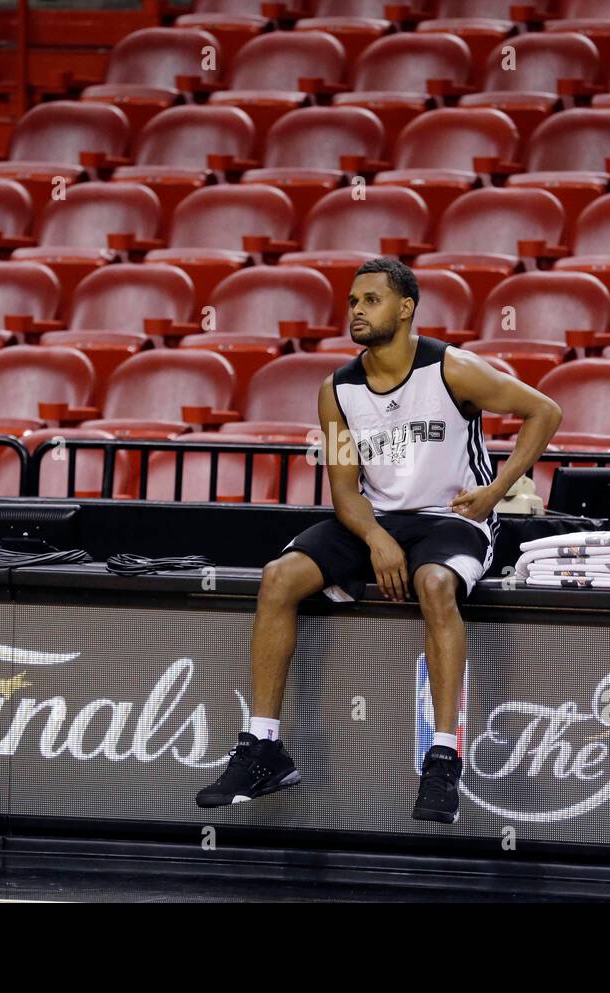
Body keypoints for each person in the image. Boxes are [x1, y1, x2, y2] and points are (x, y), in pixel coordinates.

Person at [196, 258, 562, 823]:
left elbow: (545, 410)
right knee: (279, 577)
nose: (357, 311)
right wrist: (374, 538)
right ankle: (263, 746)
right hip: (376, 519)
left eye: (370, 300)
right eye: (352, 302)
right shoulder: (337, 390)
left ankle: (443, 757)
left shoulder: (453, 370)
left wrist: (495, 491)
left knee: (434, 583)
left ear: (406, 308)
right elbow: (344, 490)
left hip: (454, 516)